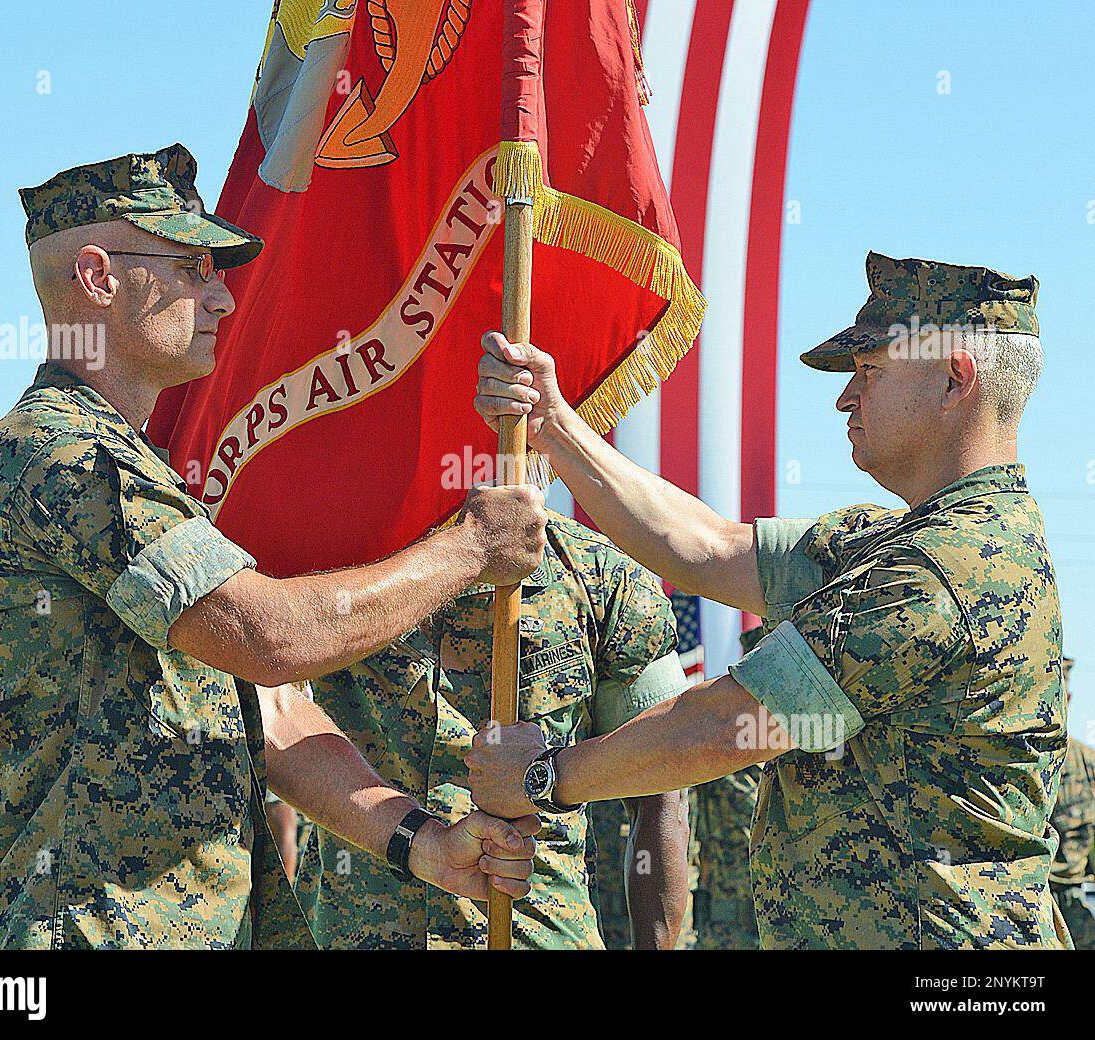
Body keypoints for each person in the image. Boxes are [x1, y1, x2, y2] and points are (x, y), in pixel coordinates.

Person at [0, 144, 545, 949]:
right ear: (97, 277)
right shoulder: (59, 457)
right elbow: (268, 638)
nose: (222, 298)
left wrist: (420, 842)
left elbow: (263, 708)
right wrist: (468, 549)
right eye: (192, 267)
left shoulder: (132, 466)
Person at [466, 251, 1070, 949]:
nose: (846, 399)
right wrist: (555, 426)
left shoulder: (939, 572)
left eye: (869, 371)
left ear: (953, 378)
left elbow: (728, 725)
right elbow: (707, 548)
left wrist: (544, 775)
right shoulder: (904, 545)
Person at [296, 513, 690, 949]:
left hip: (535, 929)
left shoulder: (603, 579)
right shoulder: (327, 569)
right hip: (354, 927)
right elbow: (271, 723)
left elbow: (660, 797)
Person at [686, 627, 764, 950]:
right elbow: (686, 837)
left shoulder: (810, 751)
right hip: (723, 931)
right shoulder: (722, 749)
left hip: (789, 926)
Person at [1048, 657, 1095, 948]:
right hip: (1025, 897)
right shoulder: (1011, 761)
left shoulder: (1087, 763)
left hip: (1074, 899)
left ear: (1068, 698)